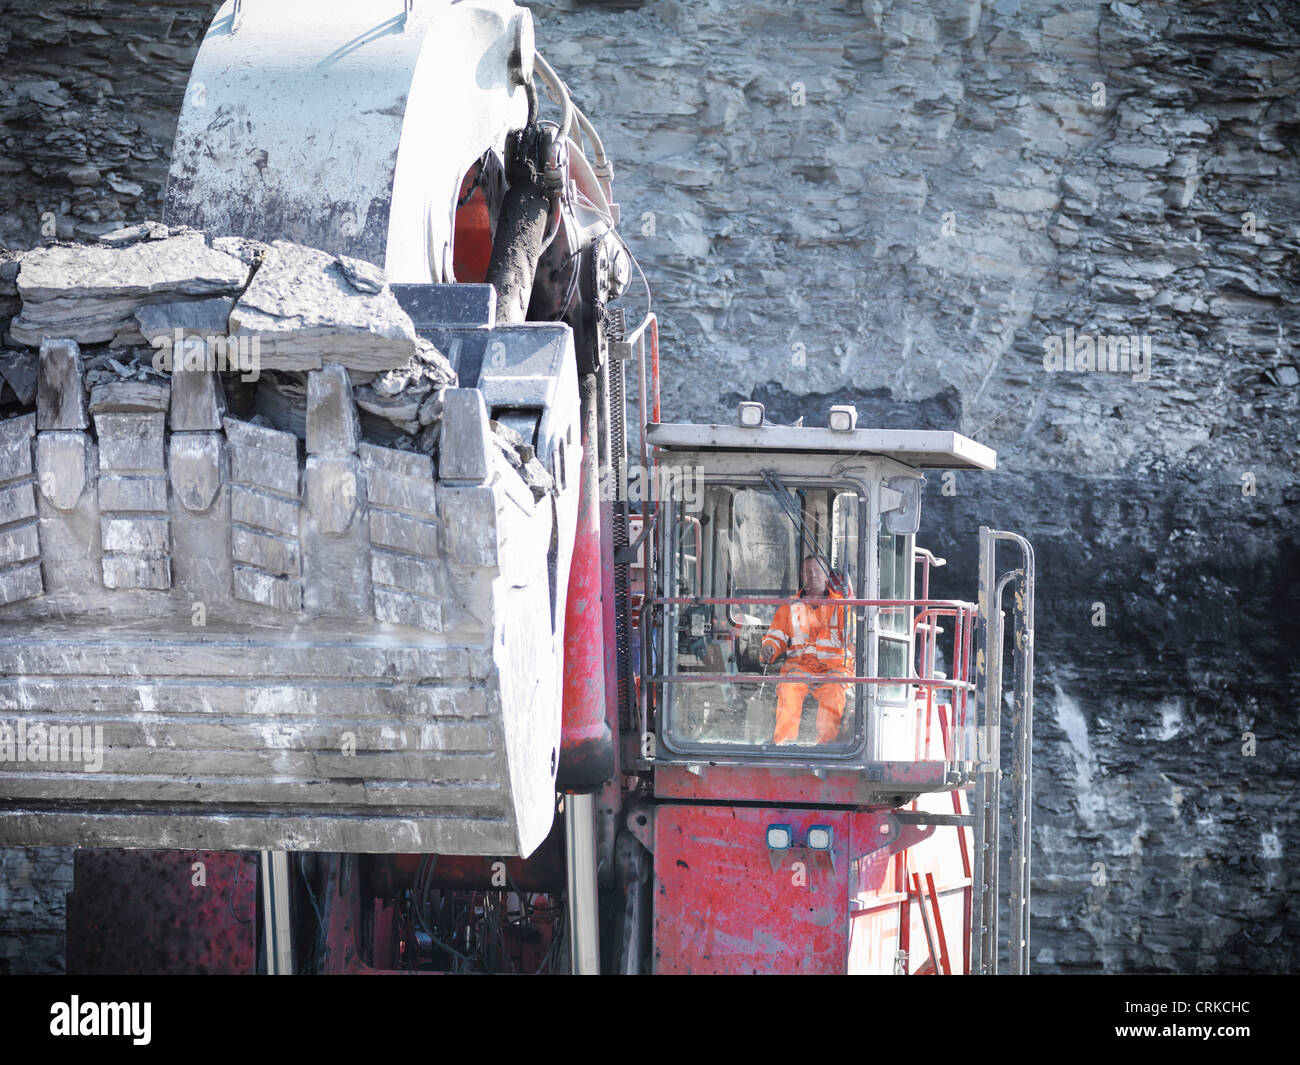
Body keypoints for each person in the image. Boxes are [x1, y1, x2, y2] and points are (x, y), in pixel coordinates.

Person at [759, 556, 853, 744]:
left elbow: (854, 638)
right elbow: (776, 635)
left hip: (834, 668)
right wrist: (769, 648)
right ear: (802, 575)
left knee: (834, 690)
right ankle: (783, 741)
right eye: (808, 572)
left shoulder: (842, 607)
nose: (813, 575)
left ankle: (825, 744)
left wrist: (858, 653)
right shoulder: (789, 607)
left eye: (817, 571)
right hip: (800, 667)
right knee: (789, 687)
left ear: (827, 576)